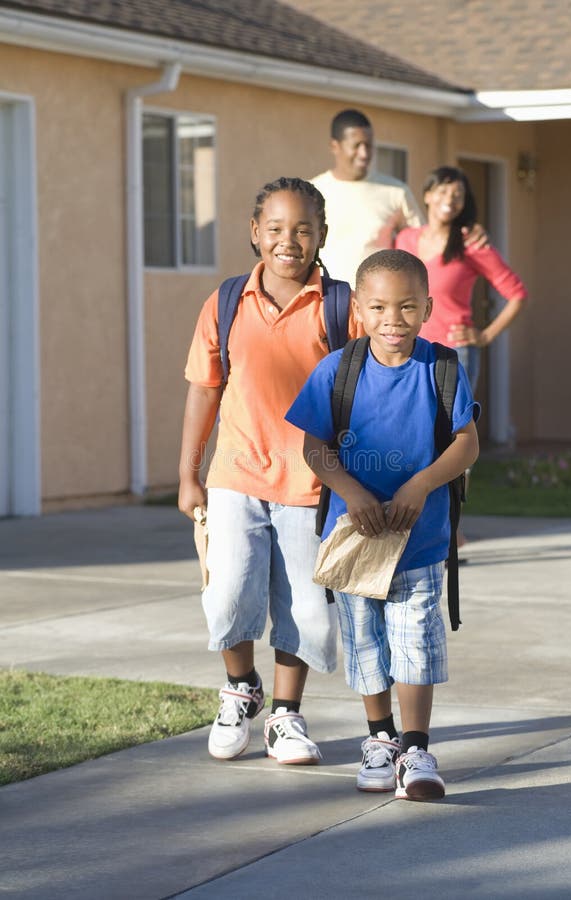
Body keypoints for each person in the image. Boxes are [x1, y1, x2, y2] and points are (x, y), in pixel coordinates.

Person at [178, 176, 360, 766]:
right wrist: (189, 473)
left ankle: (285, 715)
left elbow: (374, 382)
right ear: (255, 233)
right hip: (235, 474)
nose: (290, 240)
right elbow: (205, 391)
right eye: (276, 228)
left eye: (304, 229)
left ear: (322, 235)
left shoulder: (342, 307)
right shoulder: (227, 302)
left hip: (312, 485)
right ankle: (240, 688)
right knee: (228, 596)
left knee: (305, 611)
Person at [286, 249, 479, 800]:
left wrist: (420, 485)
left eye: (407, 307)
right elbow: (314, 447)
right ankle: (380, 740)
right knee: (367, 646)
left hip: (419, 541)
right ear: (361, 313)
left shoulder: (441, 369)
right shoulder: (338, 370)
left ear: (427, 309)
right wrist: (350, 491)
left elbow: (467, 444)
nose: (393, 319)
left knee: (415, 640)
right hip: (357, 542)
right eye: (379, 307)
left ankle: (416, 749)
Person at [311, 109, 487, 287]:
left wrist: (469, 229)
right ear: (335, 146)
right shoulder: (313, 193)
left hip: (376, 304)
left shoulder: (396, 192)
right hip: (326, 298)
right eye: (356, 145)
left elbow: (427, 240)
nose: (364, 153)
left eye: (369, 145)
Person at [395, 165, 527, 393]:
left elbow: (518, 295)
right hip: (408, 349)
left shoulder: (471, 244)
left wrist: (485, 335)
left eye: (458, 195)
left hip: (453, 352)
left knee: (451, 427)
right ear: (427, 195)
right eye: (444, 191)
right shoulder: (405, 240)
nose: (450, 199)